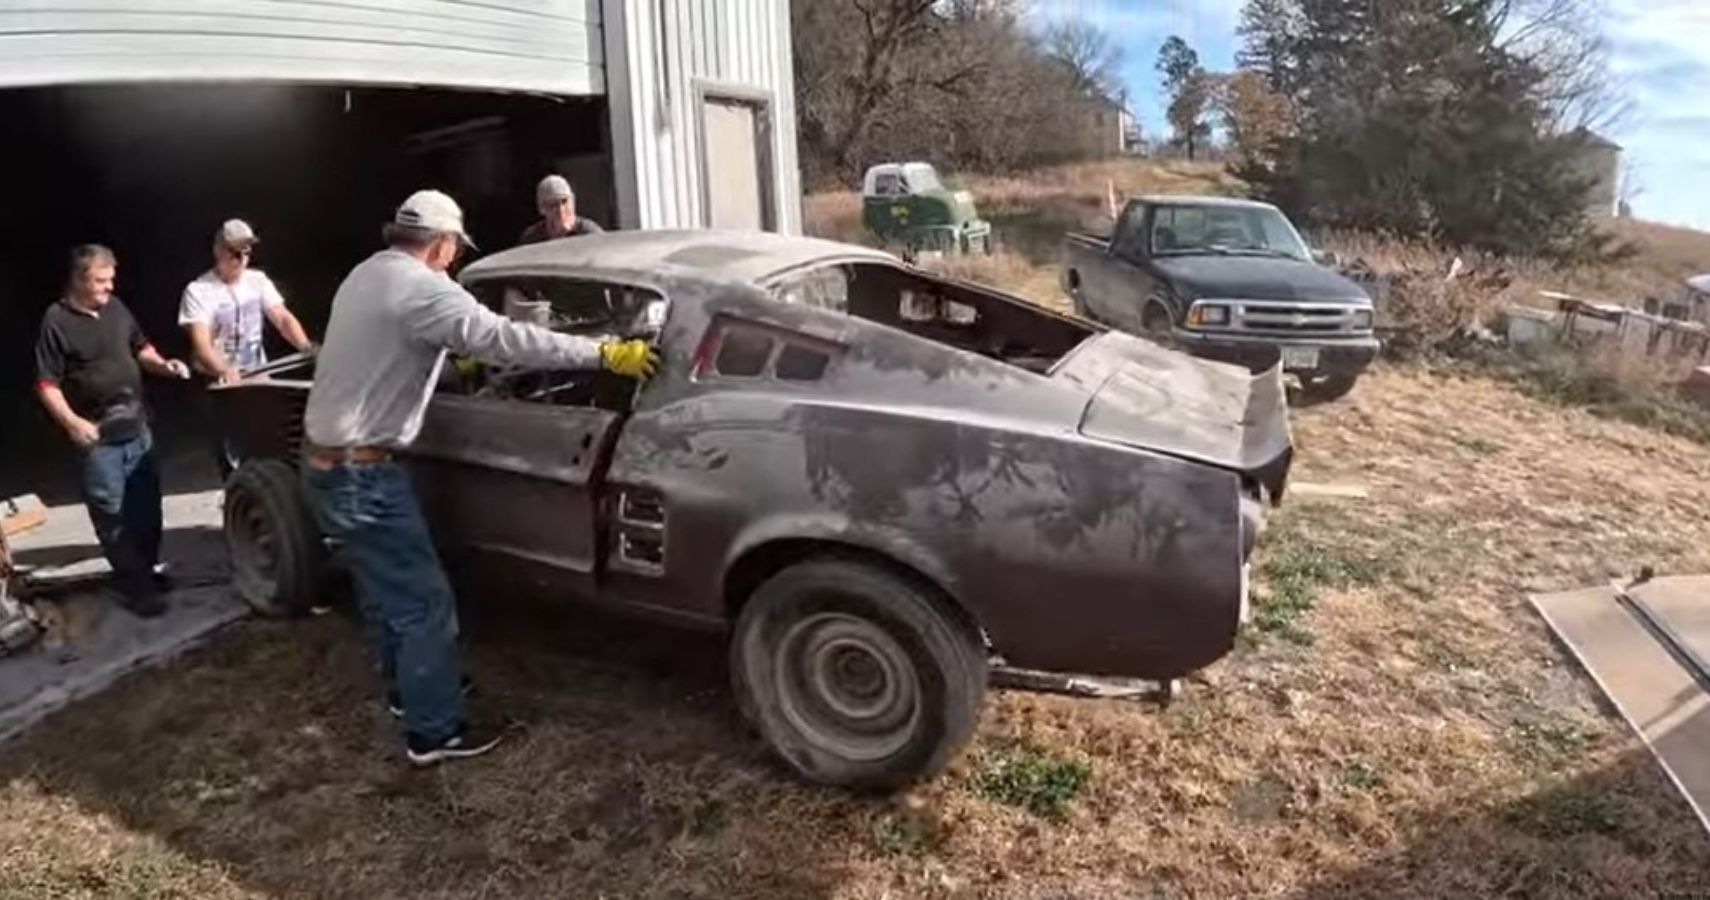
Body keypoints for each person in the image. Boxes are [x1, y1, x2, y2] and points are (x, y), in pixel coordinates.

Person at [302, 189, 657, 767]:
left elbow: (399, 340)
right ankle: (435, 732)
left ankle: (412, 693)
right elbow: (509, 337)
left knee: (384, 591)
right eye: (455, 248)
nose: (455, 258)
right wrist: (605, 354)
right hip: (362, 474)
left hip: (324, 462)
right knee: (424, 602)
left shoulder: (367, 274)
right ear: (442, 243)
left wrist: (452, 357)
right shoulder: (425, 289)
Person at [34, 245, 192, 617]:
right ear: (79, 280)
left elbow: (141, 347)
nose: (109, 287)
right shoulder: (56, 321)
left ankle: (146, 572)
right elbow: (46, 384)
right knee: (113, 516)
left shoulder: (116, 308)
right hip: (98, 437)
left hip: (136, 425)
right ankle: (133, 585)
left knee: (147, 508)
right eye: (101, 281)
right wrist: (73, 423)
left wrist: (164, 365)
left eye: (111, 280)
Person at [179, 219, 316, 478]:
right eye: (234, 252)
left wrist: (305, 346)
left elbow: (282, 318)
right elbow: (201, 345)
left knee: (268, 443)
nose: (241, 259)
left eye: (247, 252)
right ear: (218, 250)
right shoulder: (199, 291)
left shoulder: (257, 280)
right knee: (233, 453)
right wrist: (224, 370)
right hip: (220, 381)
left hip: (256, 373)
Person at [518, 175, 605, 246]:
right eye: (553, 205)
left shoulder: (589, 233)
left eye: (564, 201)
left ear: (573, 201)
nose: (561, 210)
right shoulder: (532, 239)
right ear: (542, 209)